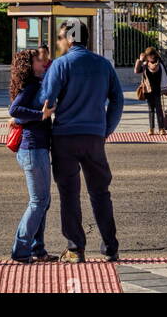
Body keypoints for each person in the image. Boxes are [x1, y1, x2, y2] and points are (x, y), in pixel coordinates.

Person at [40, 21, 124, 264]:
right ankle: (110, 247)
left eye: (60, 37)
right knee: (100, 193)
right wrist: (105, 129)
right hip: (94, 137)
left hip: (65, 137)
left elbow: (47, 99)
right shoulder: (103, 65)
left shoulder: (61, 64)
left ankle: (76, 248)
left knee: (69, 194)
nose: (59, 42)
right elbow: (117, 101)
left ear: (70, 38)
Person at [8, 49, 55, 263]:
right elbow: (15, 110)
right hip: (33, 150)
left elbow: (18, 118)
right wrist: (41, 115)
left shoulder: (37, 83)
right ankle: (21, 250)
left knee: (43, 201)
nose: (42, 61)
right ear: (29, 64)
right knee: (38, 201)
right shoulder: (32, 86)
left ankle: (38, 249)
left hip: (35, 149)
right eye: (38, 59)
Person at [134, 46, 167, 135]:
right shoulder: (144, 65)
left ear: (155, 55)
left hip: (157, 90)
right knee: (150, 109)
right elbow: (136, 71)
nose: (151, 57)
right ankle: (151, 129)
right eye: (149, 55)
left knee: (159, 109)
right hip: (148, 90)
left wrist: (166, 89)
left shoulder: (159, 65)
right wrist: (140, 60)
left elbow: (157, 72)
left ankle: (162, 129)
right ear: (147, 56)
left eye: (152, 55)